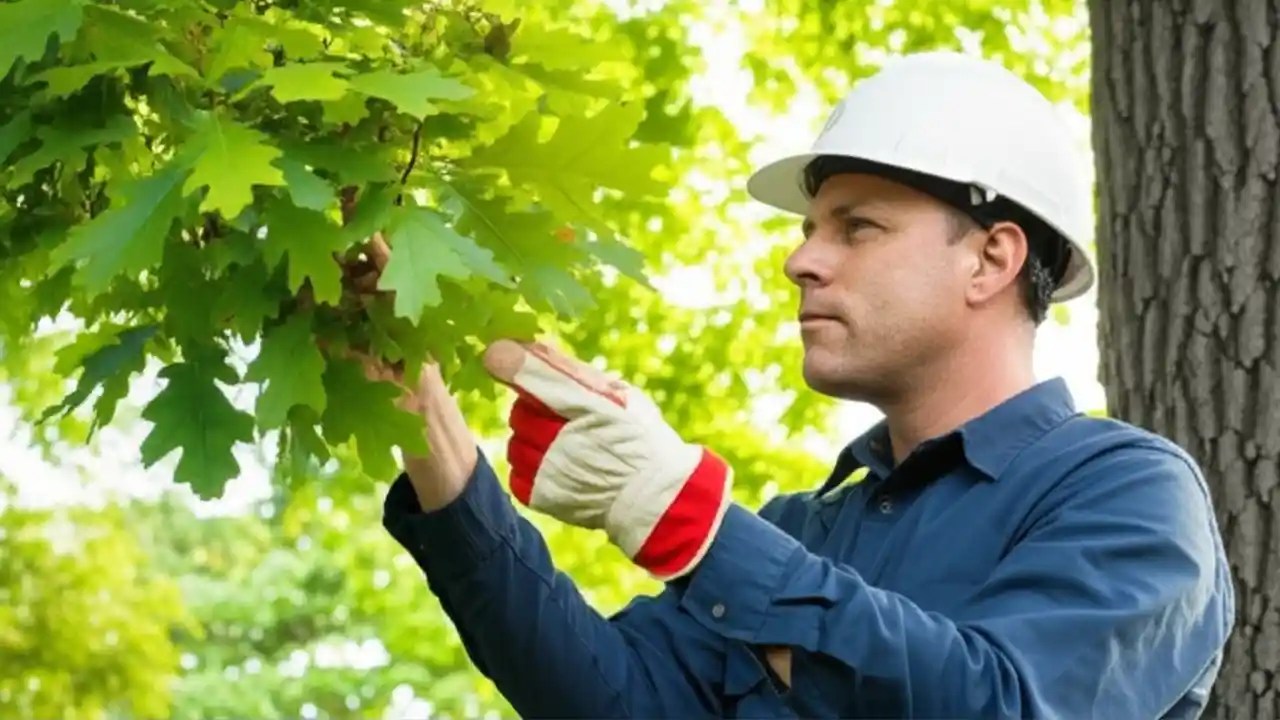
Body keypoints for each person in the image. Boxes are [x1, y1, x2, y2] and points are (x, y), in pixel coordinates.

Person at [376, 51, 1235, 718]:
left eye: (857, 228)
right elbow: (613, 701)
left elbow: (1000, 706)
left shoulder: (1125, 494)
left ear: (991, 258)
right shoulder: (800, 533)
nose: (800, 260)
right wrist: (429, 427)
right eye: (808, 230)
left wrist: (694, 528)